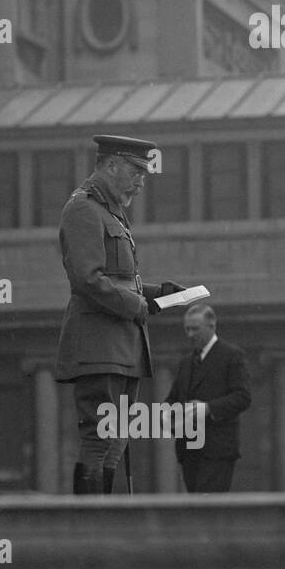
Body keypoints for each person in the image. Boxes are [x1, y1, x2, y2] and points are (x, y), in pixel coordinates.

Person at [54, 134, 184, 495]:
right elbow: (87, 278)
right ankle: (89, 528)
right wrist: (137, 305)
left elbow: (119, 279)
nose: (142, 180)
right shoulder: (84, 208)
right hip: (99, 345)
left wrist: (157, 293)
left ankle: (106, 519)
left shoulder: (112, 211)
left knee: (118, 437)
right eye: (135, 171)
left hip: (122, 345)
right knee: (100, 434)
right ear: (111, 166)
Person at [165, 304, 251, 493]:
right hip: (189, 450)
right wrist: (168, 413)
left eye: (195, 329)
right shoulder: (186, 363)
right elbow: (172, 399)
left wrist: (208, 408)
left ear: (211, 327)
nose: (189, 334)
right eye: (187, 329)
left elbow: (243, 397)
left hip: (217, 450)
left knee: (209, 511)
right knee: (197, 512)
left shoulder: (232, 356)